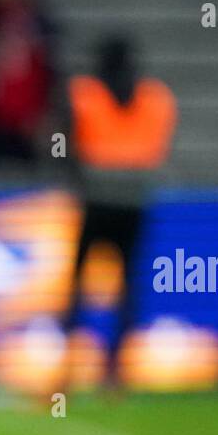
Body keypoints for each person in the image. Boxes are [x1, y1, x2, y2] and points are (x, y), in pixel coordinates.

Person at [60, 36, 176, 383]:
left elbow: (68, 144)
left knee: (79, 281)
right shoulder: (155, 97)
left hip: (96, 199)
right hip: (135, 201)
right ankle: (116, 373)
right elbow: (159, 145)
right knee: (128, 283)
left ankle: (68, 367)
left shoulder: (85, 93)